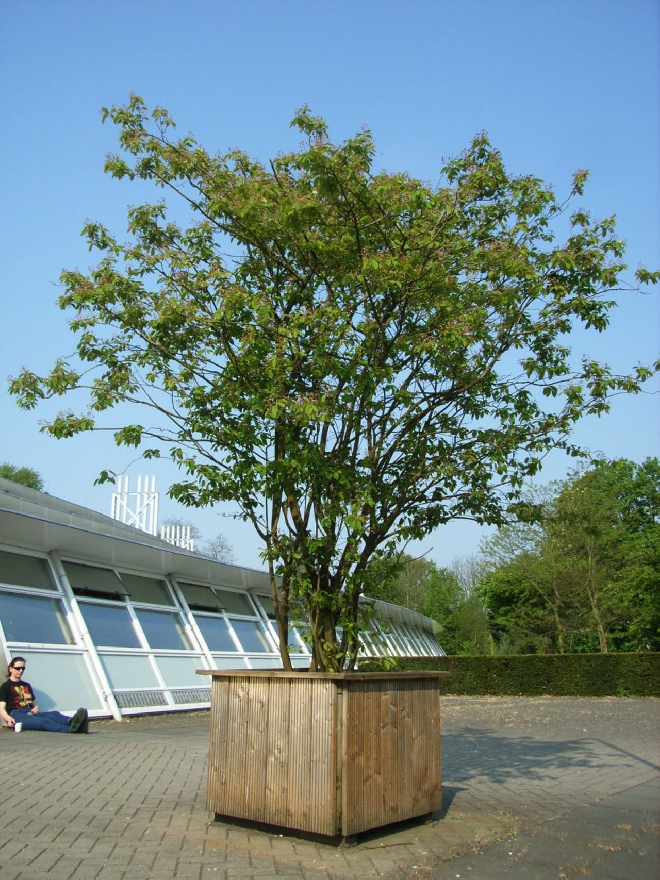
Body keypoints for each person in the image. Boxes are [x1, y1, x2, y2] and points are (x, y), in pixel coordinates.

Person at [0, 656, 88, 733]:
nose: (21, 670)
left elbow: (31, 702)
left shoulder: (26, 685)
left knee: (54, 714)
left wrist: (35, 707)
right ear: (11, 668)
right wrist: (8, 719)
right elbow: (1, 709)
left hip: (29, 712)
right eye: (18, 668)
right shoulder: (6, 686)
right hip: (16, 715)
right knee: (44, 721)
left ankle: (72, 722)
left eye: (23, 668)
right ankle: (72, 730)